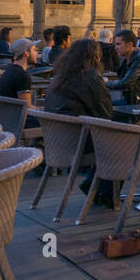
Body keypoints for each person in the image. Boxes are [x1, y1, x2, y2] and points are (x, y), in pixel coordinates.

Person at [44, 38, 117, 207]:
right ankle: (100, 190)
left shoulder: (62, 76)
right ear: (95, 56)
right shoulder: (90, 76)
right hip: (79, 143)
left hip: (58, 142)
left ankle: (97, 188)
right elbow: (106, 113)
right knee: (125, 142)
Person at [113, 29, 140, 105]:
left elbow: (125, 83)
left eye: (118, 44)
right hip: (132, 100)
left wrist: (105, 83)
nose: (115, 47)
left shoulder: (139, 59)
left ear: (129, 45)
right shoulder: (125, 59)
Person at [0, 37, 39, 104]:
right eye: (34, 50)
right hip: (12, 113)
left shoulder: (10, 69)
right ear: (26, 53)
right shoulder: (22, 76)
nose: (37, 53)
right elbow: (27, 108)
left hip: (2, 112)